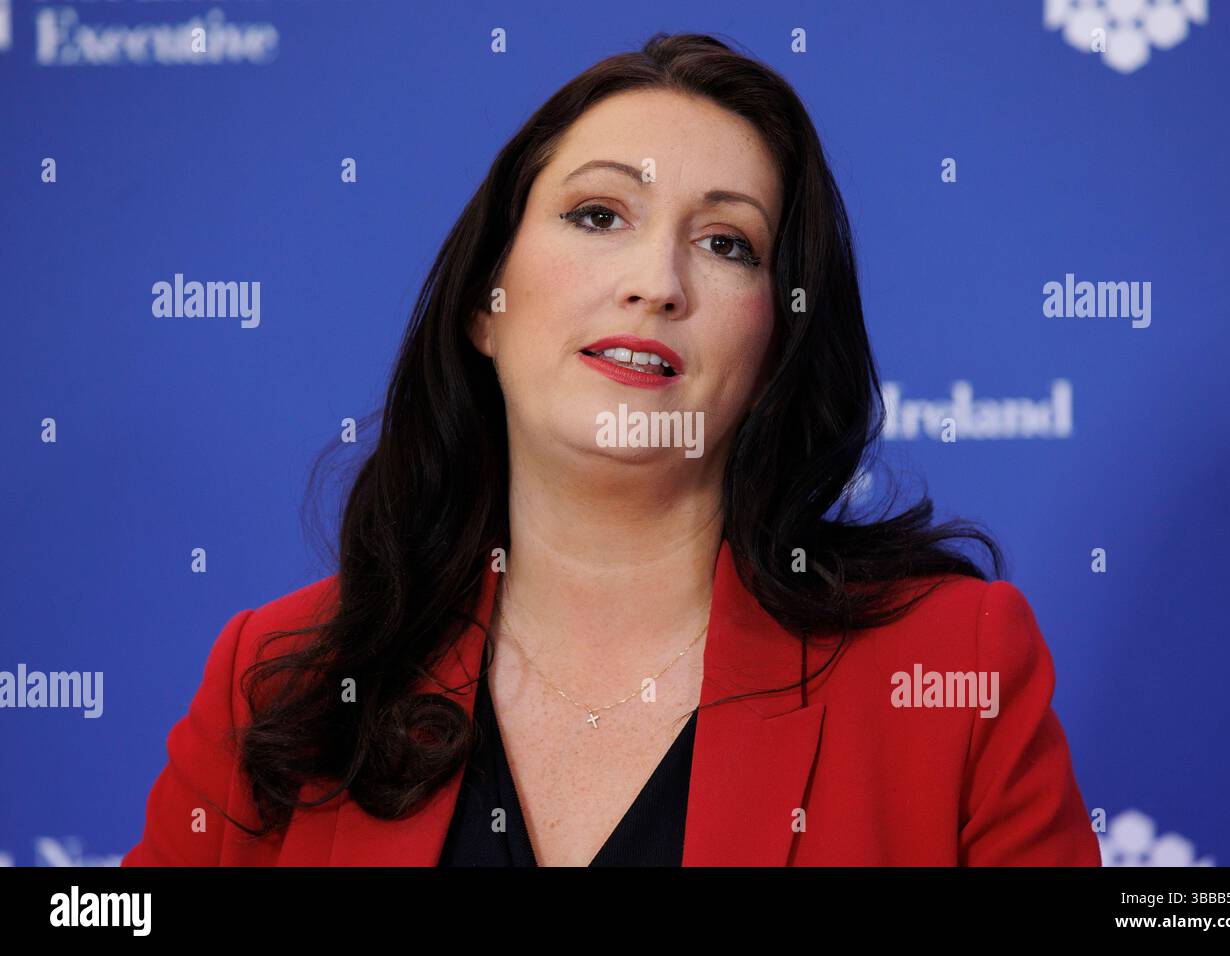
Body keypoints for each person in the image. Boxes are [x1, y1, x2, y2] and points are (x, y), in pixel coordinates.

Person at [121, 32, 1100, 867]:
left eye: (726, 243)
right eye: (598, 216)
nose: (656, 279)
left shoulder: (952, 668)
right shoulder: (281, 679)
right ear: (483, 303)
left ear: (773, 346)